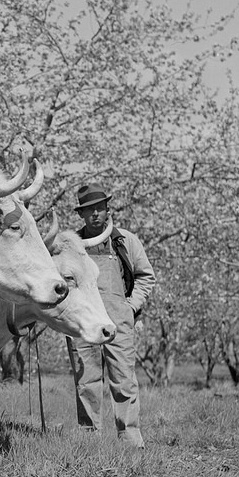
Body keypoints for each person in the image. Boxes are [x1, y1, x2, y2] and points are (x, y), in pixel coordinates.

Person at [66, 183, 156, 448]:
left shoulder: (124, 241)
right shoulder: (71, 245)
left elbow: (145, 276)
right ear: (81, 215)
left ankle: (130, 441)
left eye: (99, 208)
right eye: (89, 210)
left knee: (124, 380)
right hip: (82, 322)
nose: (95, 214)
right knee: (86, 381)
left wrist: (130, 307)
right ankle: (88, 442)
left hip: (119, 320)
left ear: (107, 209)